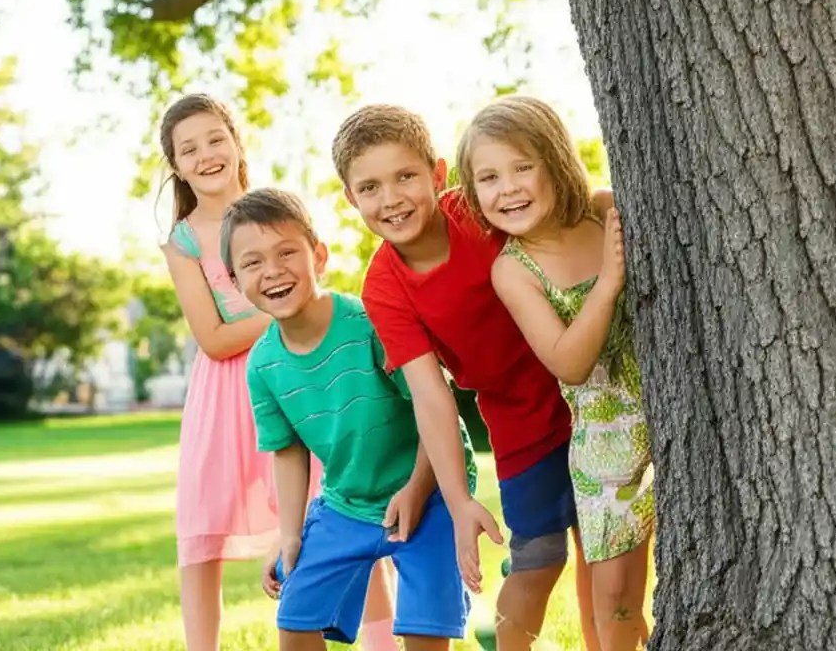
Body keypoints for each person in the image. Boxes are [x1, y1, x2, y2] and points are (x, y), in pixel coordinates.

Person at [334, 104, 613, 650]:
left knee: (601, 552)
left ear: (439, 175)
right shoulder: (385, 287)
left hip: (596, 392)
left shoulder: (481, 209)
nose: (391, 198)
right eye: (369, 187)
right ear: (351, 198)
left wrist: (606, 203)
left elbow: (566, 213)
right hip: (518, 424)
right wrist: (459, 501)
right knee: (537, 559)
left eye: (405, 177)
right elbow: (431, 398)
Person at [158, 95, 394, 651]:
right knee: (204, 531)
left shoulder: (274, 210)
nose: (206, 155)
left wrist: (298, 310)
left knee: (349, 509)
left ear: (238, 144)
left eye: (216, 139)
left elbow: (317, 292)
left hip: (305, 376)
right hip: (226, 396)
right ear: (176, 166)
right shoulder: (183, 241)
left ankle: (384, 643)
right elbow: (213, 339)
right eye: (188, 149)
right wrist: (285, 308)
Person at [222, 187, 475, 650]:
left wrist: (418, 490)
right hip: (346, 505)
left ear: (318, 256)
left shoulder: (369, 324)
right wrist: (290, 535)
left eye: (286, 253)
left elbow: (433, 407)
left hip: (430, 485)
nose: (273, 271)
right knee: (295, 622)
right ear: (235, 280)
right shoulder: (262, 365)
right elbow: (289, 452)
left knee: (425, 632)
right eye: (253, 263)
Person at [457, 95, 653, 650]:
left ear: (555, 160)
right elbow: (568, 360)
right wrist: (609, 284)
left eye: (523, 167)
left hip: (672, 420)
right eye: (489, 177)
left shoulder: (602, 210)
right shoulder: (513, 270)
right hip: (605, 445)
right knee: (616, 597)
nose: (509, 188)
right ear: (473, 192)